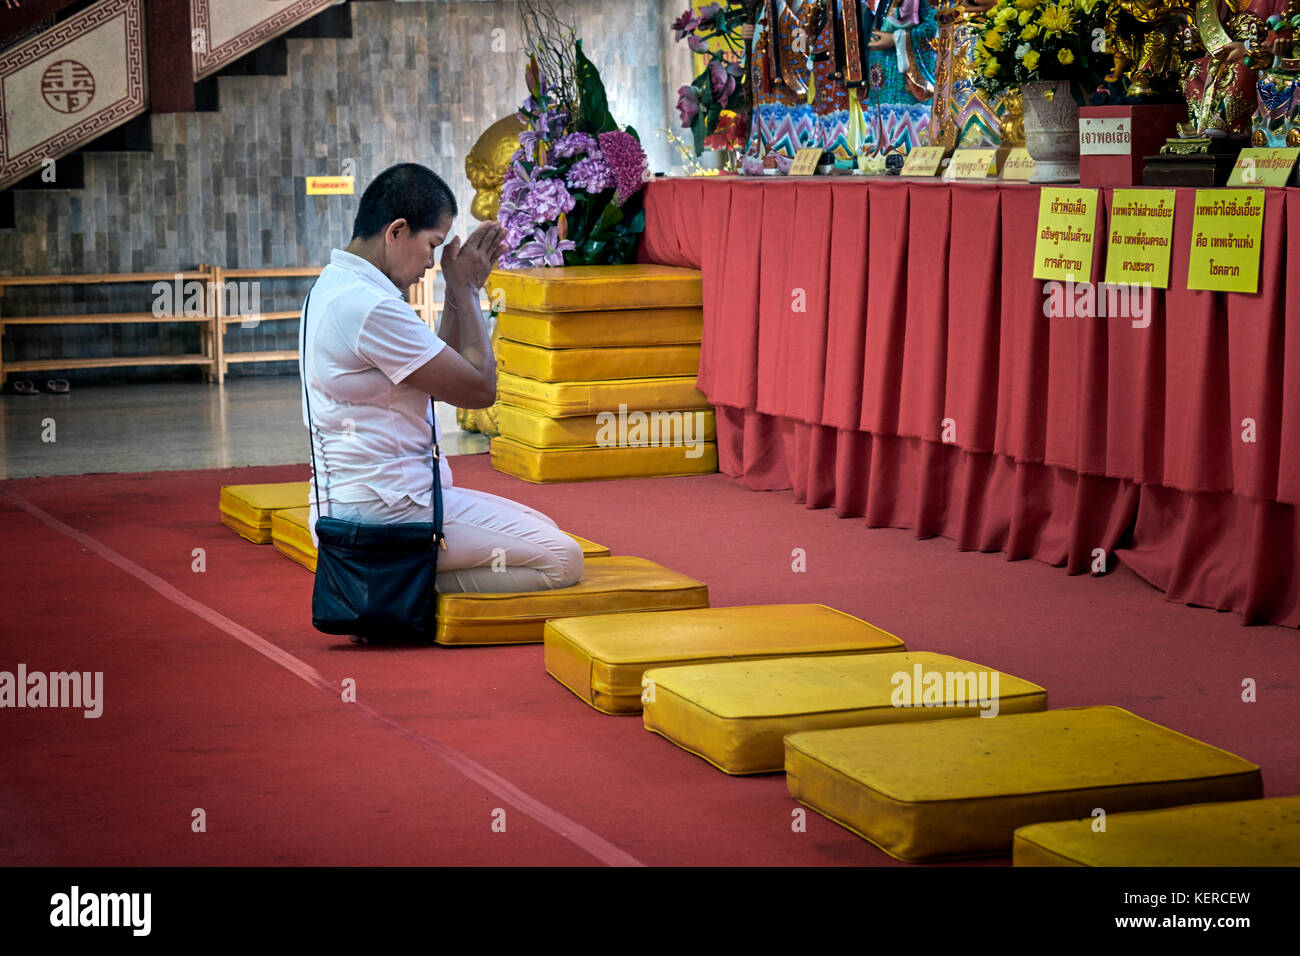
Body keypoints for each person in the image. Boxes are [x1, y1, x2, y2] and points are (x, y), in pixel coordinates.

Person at [299, 162, 583, 593]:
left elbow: (440, 372)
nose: (432, 262)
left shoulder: (336, 285)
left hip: (363, 503)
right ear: (395, 231)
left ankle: (392, 578)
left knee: (541, 526)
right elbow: (479, 390)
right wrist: (467, 290)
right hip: (384, 515)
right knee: (563, 560)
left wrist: (455, 291)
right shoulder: (369, 307)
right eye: (431, 244)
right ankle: (388, 584)